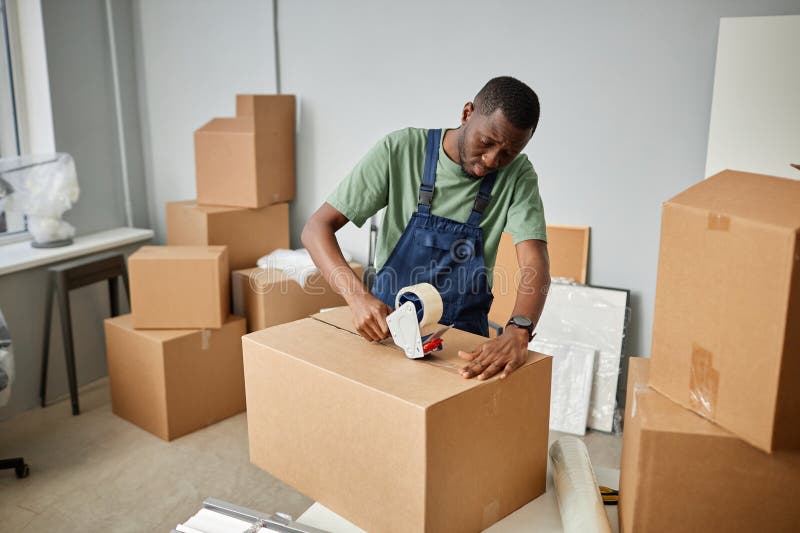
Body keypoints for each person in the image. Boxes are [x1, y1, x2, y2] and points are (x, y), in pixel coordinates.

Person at [302, 76, 550, 381]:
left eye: (507, 153)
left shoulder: (517, 175)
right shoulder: (401, 149)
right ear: (467, 113)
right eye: (486, 142)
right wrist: (357, 298)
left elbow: (533, 260)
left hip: (462, 343)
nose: (490, 160)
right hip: (389, 331)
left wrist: (519, 329)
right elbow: (316, 229)